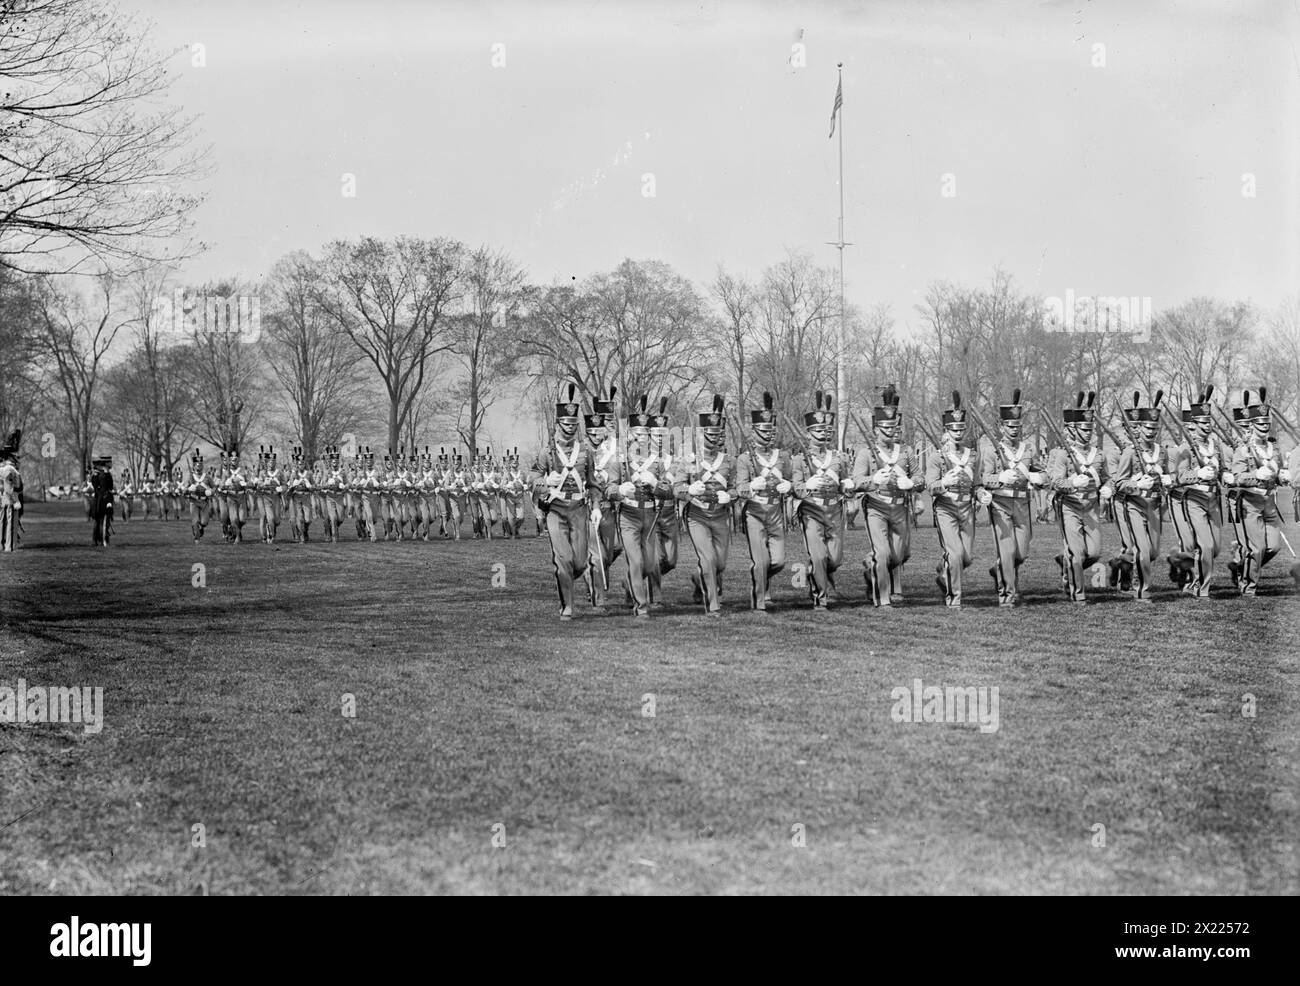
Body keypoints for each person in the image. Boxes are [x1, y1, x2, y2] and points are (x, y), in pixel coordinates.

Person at [529, 384, 598, 620]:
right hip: (556, 511)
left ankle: (569, 575)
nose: (569, 429)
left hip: (578, 510)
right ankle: (567, 606)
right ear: (558, 425)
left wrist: (596, 506)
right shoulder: (546, 452)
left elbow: (593, 483)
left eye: (573, 425)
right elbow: (532, 478)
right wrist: (547, 480)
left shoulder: (585, 452)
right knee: (563, 560)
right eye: (565, 424)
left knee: (579, 563)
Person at [978, 389, 1047, 607]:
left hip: (1023, 504)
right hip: (1001, 504)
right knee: (1007, 551)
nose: (1014, 430)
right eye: (1010, 426)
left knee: (1022, 552)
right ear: (1001, 427)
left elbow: (1044, 474)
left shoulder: (1028, 449)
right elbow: (983, 478)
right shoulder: (991, 450)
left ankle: (1000, 570)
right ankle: (1007, 594)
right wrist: (1000, 477)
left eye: (1017, 426)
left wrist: (1037, 476)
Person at [852, 384, 917, 607]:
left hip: (900, 508)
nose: (890, 432)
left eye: (893, 427)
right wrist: (873, 481)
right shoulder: (866, 453)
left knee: (899, 556)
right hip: (876, 507)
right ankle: (882, 598)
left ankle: (871, 565)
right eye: (885, 428)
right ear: (876, 429)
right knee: (882, 552)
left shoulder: (906, 452)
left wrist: (911, 483)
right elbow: (856, 482)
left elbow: (920, 479)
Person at [791, 391, 853, 610]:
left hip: (834, 510)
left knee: (835, 559)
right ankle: (820, 597)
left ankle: (815, 575)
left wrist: (847, 487)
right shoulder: (800, 460)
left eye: (827, 430)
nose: (824, 434)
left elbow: (846, 483)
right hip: (812, 510)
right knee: (818, 556)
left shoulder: (839, 458)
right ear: (808, 434)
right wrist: (807, 486)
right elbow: (796, 488)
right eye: (818, 430)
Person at [1045, 391, 1109, 604]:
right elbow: (1054, 481)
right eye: (1084, 428)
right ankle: (1077, 592)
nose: (1088, 432)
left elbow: (1108, 478)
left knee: (1095, 552)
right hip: (1069, 506)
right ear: (1074, 429)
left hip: (1091, 506)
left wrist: (1108, 487)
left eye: (1091, 428)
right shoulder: (1063, 454)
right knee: (1077, 553)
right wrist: (1072, 482)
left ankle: (1066, 565)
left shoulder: (1098, 454)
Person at [1167, 388, 1231, 597]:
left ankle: (1195, 576)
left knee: (1216, 548)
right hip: (1193, 499)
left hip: (1213, 500)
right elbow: (1181, 476)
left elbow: (1221, 469)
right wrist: (1198, 473)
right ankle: (1201, 588)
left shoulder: (1216, 445)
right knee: (1205, 545)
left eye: (1209, 421)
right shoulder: (1185, 447)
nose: (1207, 426)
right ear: (1193, 425)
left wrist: (1226, 476)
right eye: (1203, 423)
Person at [677, 394, 735, 617]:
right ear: (702, 435)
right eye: (709, 434)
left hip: (720, 515)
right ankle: (712, 604)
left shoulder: (728, 461)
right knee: (708, 559)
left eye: (717, 434)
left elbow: (735, 487)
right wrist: (688, 490)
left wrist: (730, 495)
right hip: (697, 515)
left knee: (720, 563)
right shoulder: (690, 460)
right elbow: (677, 487)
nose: (714, 438)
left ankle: (698, 576)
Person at [1230, 388, 1291, 596]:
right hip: (1250, 503)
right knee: (1256, 549)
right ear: (1253, 426)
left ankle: (1242, 566)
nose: (1265, 428)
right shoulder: (1243, 450)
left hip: (1270, 503)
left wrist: (1282, 477)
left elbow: (1279, 472)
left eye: (1267, 424)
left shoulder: (1274, 448)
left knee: (1273, 547)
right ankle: (1248, 587)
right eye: (1260, 424)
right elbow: (1237, 478)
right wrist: (1257, 474)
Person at [735, 392, 792, 611]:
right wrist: (750, 486)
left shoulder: (783, 456)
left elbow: (792, 481)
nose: (768, 435)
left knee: (778, 561)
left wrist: (788, 486)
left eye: (771, 431)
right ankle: (759, 601)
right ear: (754, 432)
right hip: (755, 512)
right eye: (764, 430)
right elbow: (739, 488)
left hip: (776, 511)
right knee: (761, 561)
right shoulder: (745, 459)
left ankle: (761, 578)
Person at [1114, 391, 1173, 602]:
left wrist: (1169, 479)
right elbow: (1118, 484)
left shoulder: (1162, 452)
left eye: (1155, 428)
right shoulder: (1130, 452)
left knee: (1154, 551)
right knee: (1143, 550)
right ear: (1139, 428)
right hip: (1135, 505)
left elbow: (1168, 475)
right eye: (1148, 427)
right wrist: (1136, 484)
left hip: (1155, 505)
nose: (1151, 431)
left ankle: (1123, 567)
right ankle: (1142, 590)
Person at [926, 392, 983, 608]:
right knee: (956, 553)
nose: (958, 433)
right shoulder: (937, 457)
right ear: (946, 431)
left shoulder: (973, 455)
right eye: (954, 430)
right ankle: (954, 598)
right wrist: (943, 483)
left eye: (961, 429)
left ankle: (944, 571)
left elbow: (976, 483)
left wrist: (980, 493)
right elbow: (930, 486)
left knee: (966, 558)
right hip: (946, 509)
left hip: (967, 509)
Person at [584, 388, 623, 607]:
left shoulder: (617, 448)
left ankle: (592, 575)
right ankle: (598, 597)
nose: (610, 424)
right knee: (597, 556)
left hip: (610, 507)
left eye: (612, 419)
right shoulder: (583, 448)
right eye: (605, 420)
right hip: (589, 508)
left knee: (613, 549)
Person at [0, 430, 23, 552]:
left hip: (4, 499)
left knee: (2, 523)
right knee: (10, 524)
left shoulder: (3, 468)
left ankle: (3, 544)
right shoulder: (10, 470)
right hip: (10, 499)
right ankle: (10, 546)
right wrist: (15, 501)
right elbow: (9, 487)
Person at [89, 455, 115, 547]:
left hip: (99, 500)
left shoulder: (98, 474)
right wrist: (108, 502)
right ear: (106, 463)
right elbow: (106, 489)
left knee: (98, 521)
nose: (111, 463)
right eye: (110, 462)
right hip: (103, 500)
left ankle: (96, 540)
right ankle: (103, 540)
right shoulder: (104, 475)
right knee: (103, 521)